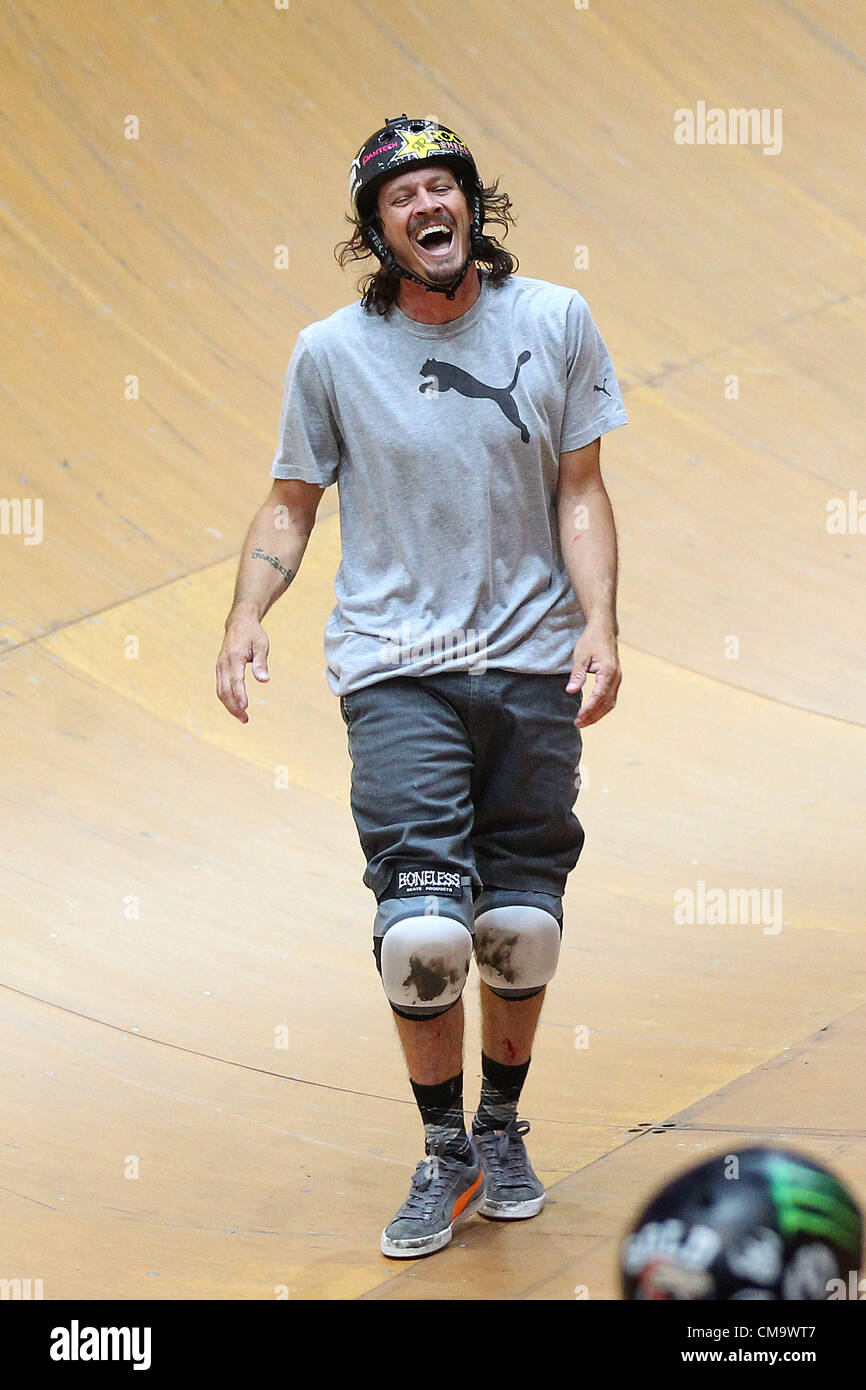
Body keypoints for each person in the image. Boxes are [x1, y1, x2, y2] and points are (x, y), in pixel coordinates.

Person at [216, 115, 629, 1259]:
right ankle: (441, 1150)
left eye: (442, 186)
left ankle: (499, 1129)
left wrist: (598, 625)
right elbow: (291, 500)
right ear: (376, 229)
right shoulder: (331, 353)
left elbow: (581, 488)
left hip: (533, 660)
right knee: (422, 937)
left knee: (517, 931)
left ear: (472, 207)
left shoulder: (552, 320)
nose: (426, 206)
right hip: (398, 669)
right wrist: (247, 612)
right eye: (400, 198)